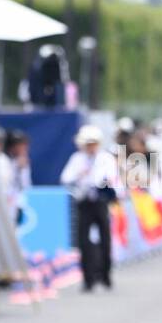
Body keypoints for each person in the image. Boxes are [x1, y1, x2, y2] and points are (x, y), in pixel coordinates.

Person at [59, 124, 119, 292]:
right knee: (84, 241)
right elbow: (65, 178)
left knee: (105, 239)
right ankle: (88, 279)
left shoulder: (105, 159)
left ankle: (105, 275)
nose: (91, 147)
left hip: (100, 202)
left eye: (94, 143)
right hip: (84, 202)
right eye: (88, 144)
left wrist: (104, 184)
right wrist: (80, 176)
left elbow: (111, 178)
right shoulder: (77, 159)